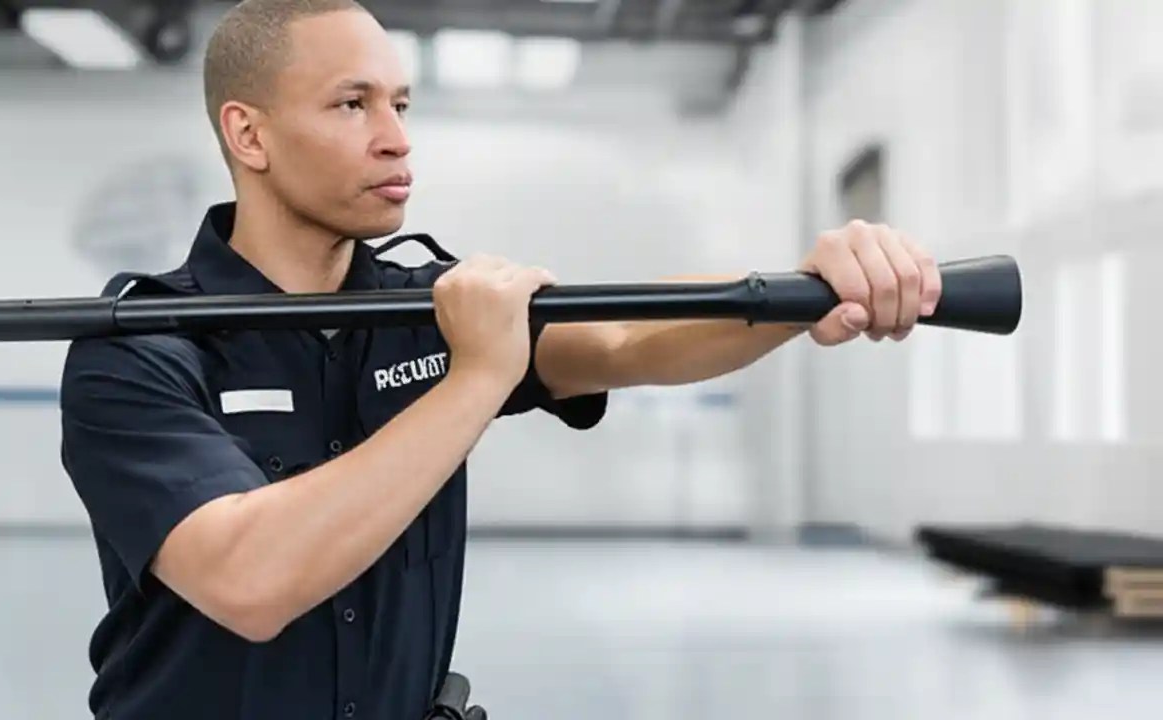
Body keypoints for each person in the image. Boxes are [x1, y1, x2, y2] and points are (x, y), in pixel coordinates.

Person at [57, 1, 943, 718]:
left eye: (400, 104)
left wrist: (807, 290)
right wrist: (477, 379)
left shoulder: (433, 312)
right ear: (249, 136)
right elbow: (250, 577)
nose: (396, 137)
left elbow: (631, 337)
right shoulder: (137, 352)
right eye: (350, 103)